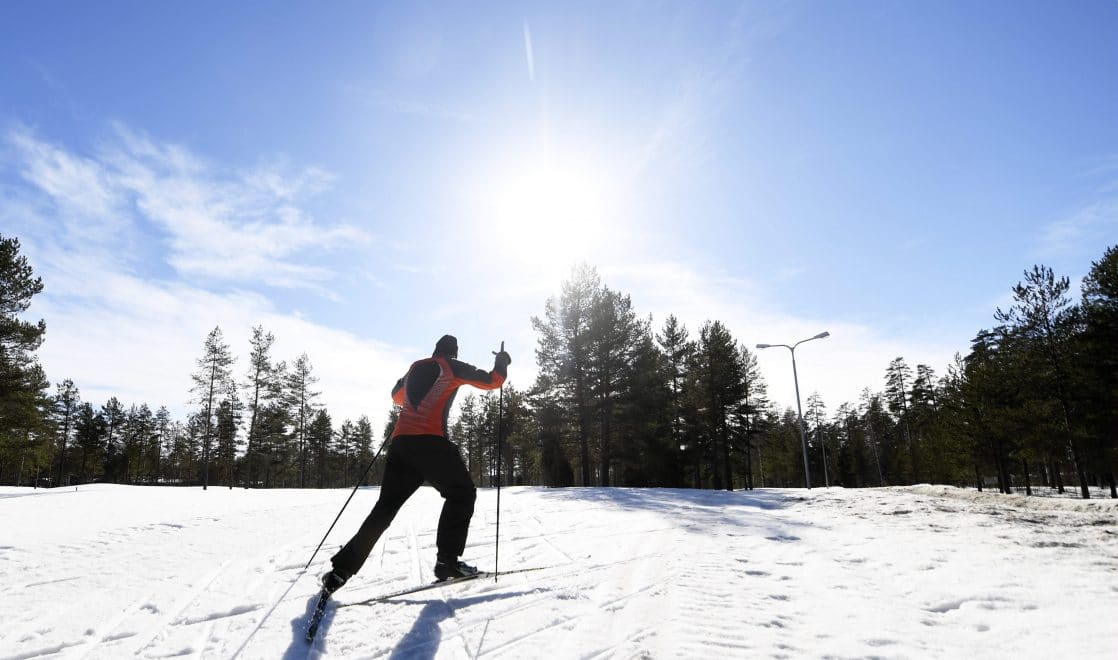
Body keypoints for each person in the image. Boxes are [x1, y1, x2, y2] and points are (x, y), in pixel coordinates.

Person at [321, 335, 511, 594]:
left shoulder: (415, 367)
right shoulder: (451, 366)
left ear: (435, 350)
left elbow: (396, 396)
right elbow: (492, 382)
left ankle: (340, 571)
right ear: (452, 354)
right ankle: (447, 562)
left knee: (385, 509)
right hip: (431, 444)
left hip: (401, 446)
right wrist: (502, 362)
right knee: (462, 493)